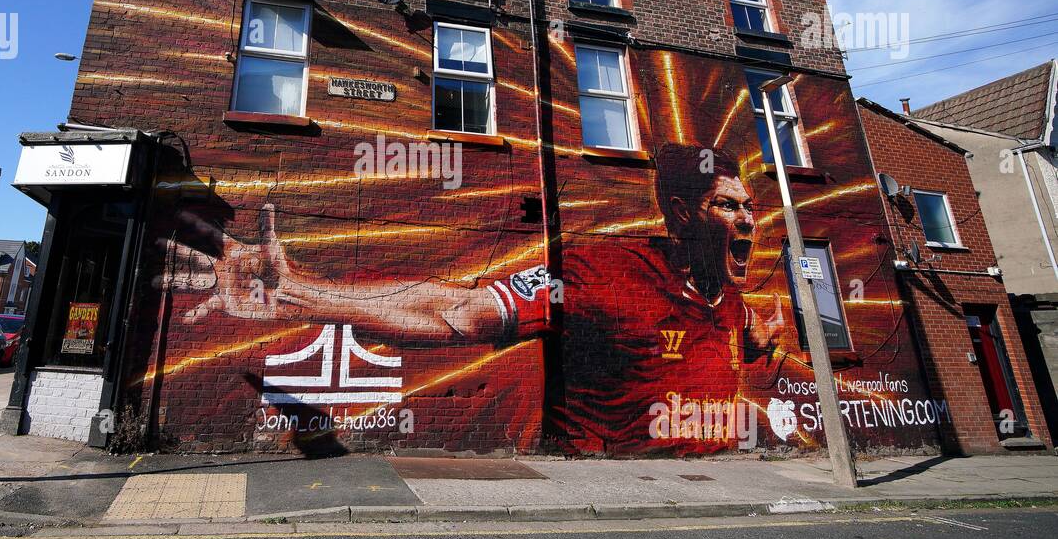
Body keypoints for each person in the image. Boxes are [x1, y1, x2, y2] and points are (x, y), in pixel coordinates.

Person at [157, 143, 784, 452]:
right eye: (727, 206)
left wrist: (754, 343)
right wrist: (300, 293)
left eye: (750, 206)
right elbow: (454, 307)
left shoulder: (726, 297)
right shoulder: (601, 272)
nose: (748, 220)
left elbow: (714, 349)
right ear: (680, 215)